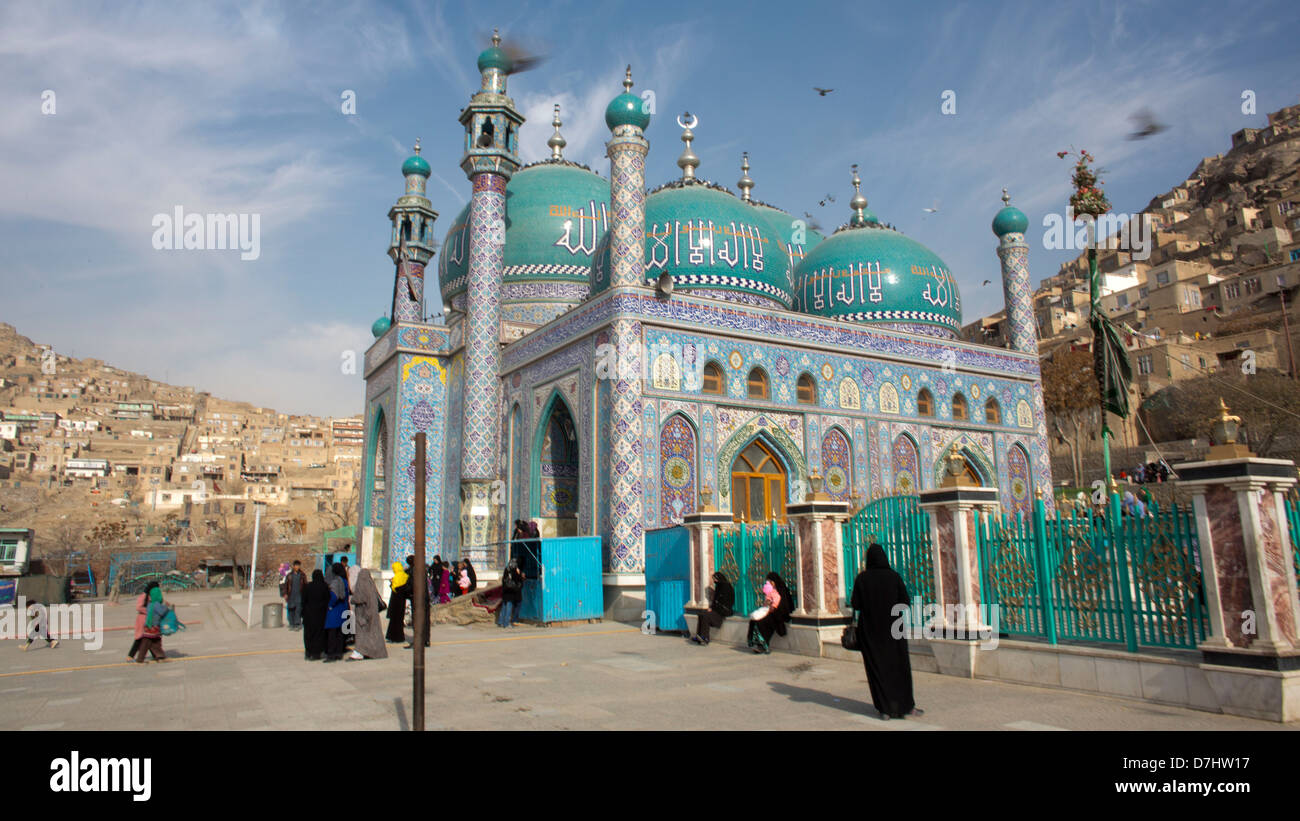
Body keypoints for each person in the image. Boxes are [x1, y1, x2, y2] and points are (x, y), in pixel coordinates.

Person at [850, 544, 920, 720]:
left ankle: (884, 708)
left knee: (877, 669)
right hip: (893, 629)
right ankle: (906, 705)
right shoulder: (893, 577)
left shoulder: (862, 579)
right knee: (900, 667)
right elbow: (904, 601)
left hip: (871, 631)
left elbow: (855, 604)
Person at [747, 572, 793, 654]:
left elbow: (785, 606)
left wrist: (774, 607)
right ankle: (756, 643)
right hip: (770, 611)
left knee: (763, 622)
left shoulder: (782, 590)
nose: (770, 584)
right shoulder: (771, 592)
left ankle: (763, 645)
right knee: (754, 621)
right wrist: (767, 603)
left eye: (771, 581)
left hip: (779, 614)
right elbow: (768, 601)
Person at [348, 569, 388, 661]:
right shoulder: (371, 585)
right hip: (372, 613)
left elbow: (358, 598)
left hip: (363, 614)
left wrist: (352, 599)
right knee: (373, 634)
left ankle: (360, 652)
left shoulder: (361, 584)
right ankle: (375, 652)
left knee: (362, 634)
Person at [690, 571, 734, 645]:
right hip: (717, 610)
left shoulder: (726, 587)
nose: (714, 581)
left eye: (715, 579)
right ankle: (699, 636)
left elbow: (724, 602)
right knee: (701, 614)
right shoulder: (719, 587)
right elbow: (716, 601)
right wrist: (712, 608)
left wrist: (714, 609)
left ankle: (705, 637)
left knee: (706, 616)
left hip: (723, 611)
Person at [134, 587, 172, 663]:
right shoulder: (156, 604)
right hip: (153, 627)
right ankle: (140, 660)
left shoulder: (150, 604)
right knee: (146, 644)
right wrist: (167, 607)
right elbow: (162, 612)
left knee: (156, 642)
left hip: (148, 626)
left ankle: (160, 657)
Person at [125, 580, 160, 660]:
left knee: (151, 637)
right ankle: (130, 655)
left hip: (149, 619)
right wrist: (150, 610)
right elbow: (139, 607)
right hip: (142, 619)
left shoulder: (152, 595)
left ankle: (156, 655)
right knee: (141, 638)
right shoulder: (143, 596)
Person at [324, 563, 350, 662]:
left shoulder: (335, 582)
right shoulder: (344, 581)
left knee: (332, 634)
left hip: (335, 610)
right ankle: (339, 653)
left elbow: (334, 596)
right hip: (343, 609)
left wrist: (329, 605)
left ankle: (331, 654)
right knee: (340, 633)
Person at [302, 569, 329, 660]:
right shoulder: (324, 586)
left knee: (308, 634)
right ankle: (317, 652)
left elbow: (303, 601)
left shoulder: (307, 586)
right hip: (320, 614)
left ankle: (308, 652)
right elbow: (327, 599)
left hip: (308, 614)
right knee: (319, 634)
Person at [386, 559, 411, 644]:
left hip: (395, 600)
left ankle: (393, 637)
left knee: (394, 620)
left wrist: (391, 582)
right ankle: (399, 637)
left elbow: (395, 589)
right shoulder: (405, 575)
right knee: (399, 619)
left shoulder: (397, 577)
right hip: (402, 600)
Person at [498, 558, 524, 628]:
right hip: (510, 593)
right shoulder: (514, 571)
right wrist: (519, 574)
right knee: (508, 608)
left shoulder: (506, 569)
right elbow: (517, 580)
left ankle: (500, 622)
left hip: (505, 592)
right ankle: (506, 623)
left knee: (504, 607)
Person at [282, 560, 307, 631]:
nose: (297, 567)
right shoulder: (289, 575)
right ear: (293, 566)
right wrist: (285, 594)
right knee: (291, 609)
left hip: (299, 595)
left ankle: (297, 624)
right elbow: (285, 585)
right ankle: (291, 623)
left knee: (298, 610)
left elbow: (305, 585)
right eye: (296, 565)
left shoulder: (302, 575)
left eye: (298, 565)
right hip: (291, 595)